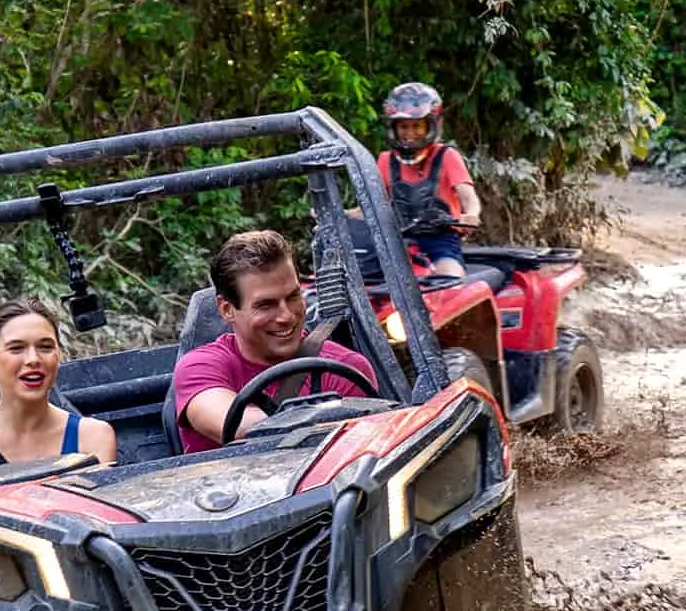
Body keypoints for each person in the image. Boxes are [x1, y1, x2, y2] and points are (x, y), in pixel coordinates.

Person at [173, 230, 382, 453]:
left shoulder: (345, 368)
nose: (287, 316)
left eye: (293, 297)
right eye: (266, 305)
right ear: (227, 309)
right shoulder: (199, 368)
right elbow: (234, 425)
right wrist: (331, 415)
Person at [0, 300, 118, 480]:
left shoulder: (94, 436)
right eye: (16, 348)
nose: (33, 359)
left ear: (58, 355)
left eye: (45, 347)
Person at [377, 82, 481, 281]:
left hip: (440, 240)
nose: (410, 132)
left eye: (417, 125)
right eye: (403, 126)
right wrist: (337, 214)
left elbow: (468, 196)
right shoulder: (385, 160)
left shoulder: (446, 155)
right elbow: (369, 205)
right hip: (396, 242)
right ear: (394, 128)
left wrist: (471, 215)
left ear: (430, 126)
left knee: (449, 279)